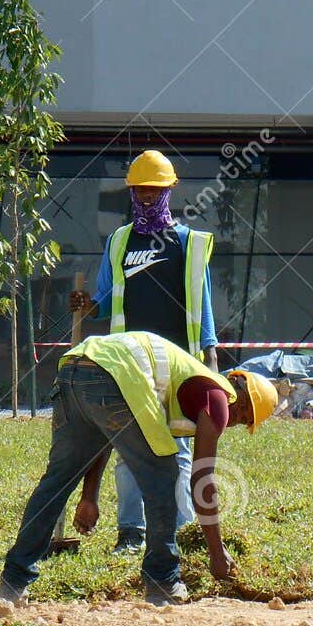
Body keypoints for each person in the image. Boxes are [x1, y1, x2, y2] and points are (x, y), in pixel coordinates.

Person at [0, 330, 276, 612]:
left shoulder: (194, 383)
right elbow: (202, 479)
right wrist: (217, 552)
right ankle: (163, 581)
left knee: (56, 483)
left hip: (74, 369)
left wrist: (89, 495)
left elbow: (104, 433)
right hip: (112, 374)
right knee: (165, 477)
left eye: (242, 422)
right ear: (239, 390)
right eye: (242, 415)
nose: (234, 421)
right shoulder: (218, 398)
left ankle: (13, 583)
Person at [69, 149, 218, 556]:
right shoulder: (119, 242)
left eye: (155, 189)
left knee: (178, 446)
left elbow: (203, 303)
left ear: (169, 191)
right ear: (131, 191)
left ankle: (180, 532)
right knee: (128, 447)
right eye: (140, 189)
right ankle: (131, 533)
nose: (147, 196)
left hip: (179, 362)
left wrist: (210, 358)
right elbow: (107, 298)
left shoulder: (188, 244)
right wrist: (88, 306)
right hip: (130, 362)